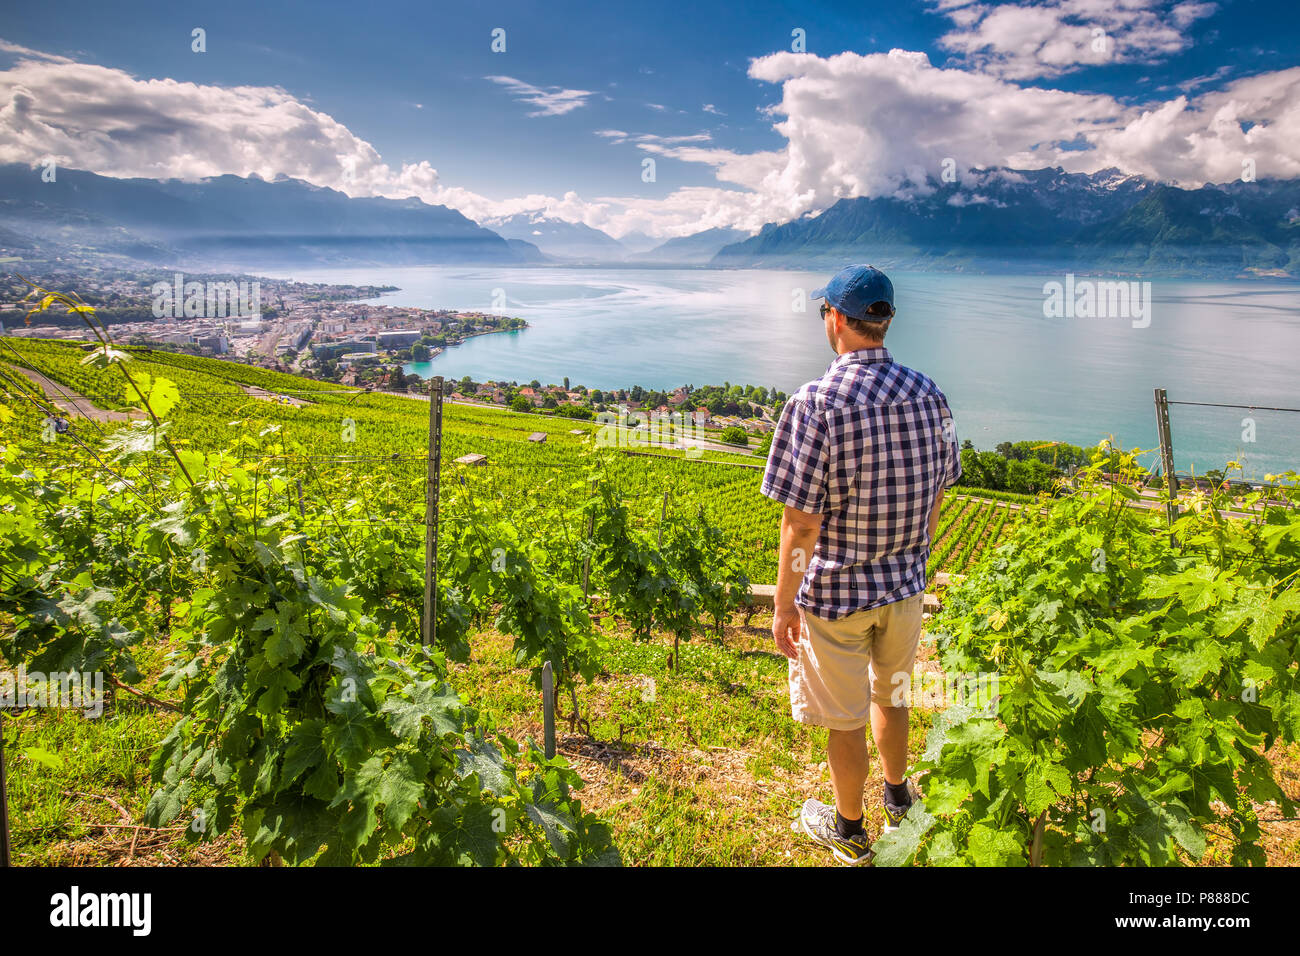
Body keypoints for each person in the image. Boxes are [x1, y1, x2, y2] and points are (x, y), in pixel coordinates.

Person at [760, 264, 961, 865]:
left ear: (837, 319)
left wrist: (783, 600)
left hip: (837, 598)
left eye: (825, 311)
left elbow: (800, 523)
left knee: (844, 718)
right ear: (884, 320)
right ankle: (899, 798)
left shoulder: (815, 402)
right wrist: (914, 554)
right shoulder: (929, 392)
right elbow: (939, 490)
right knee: (892, 695)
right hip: (903, 588)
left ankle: (849, 830)